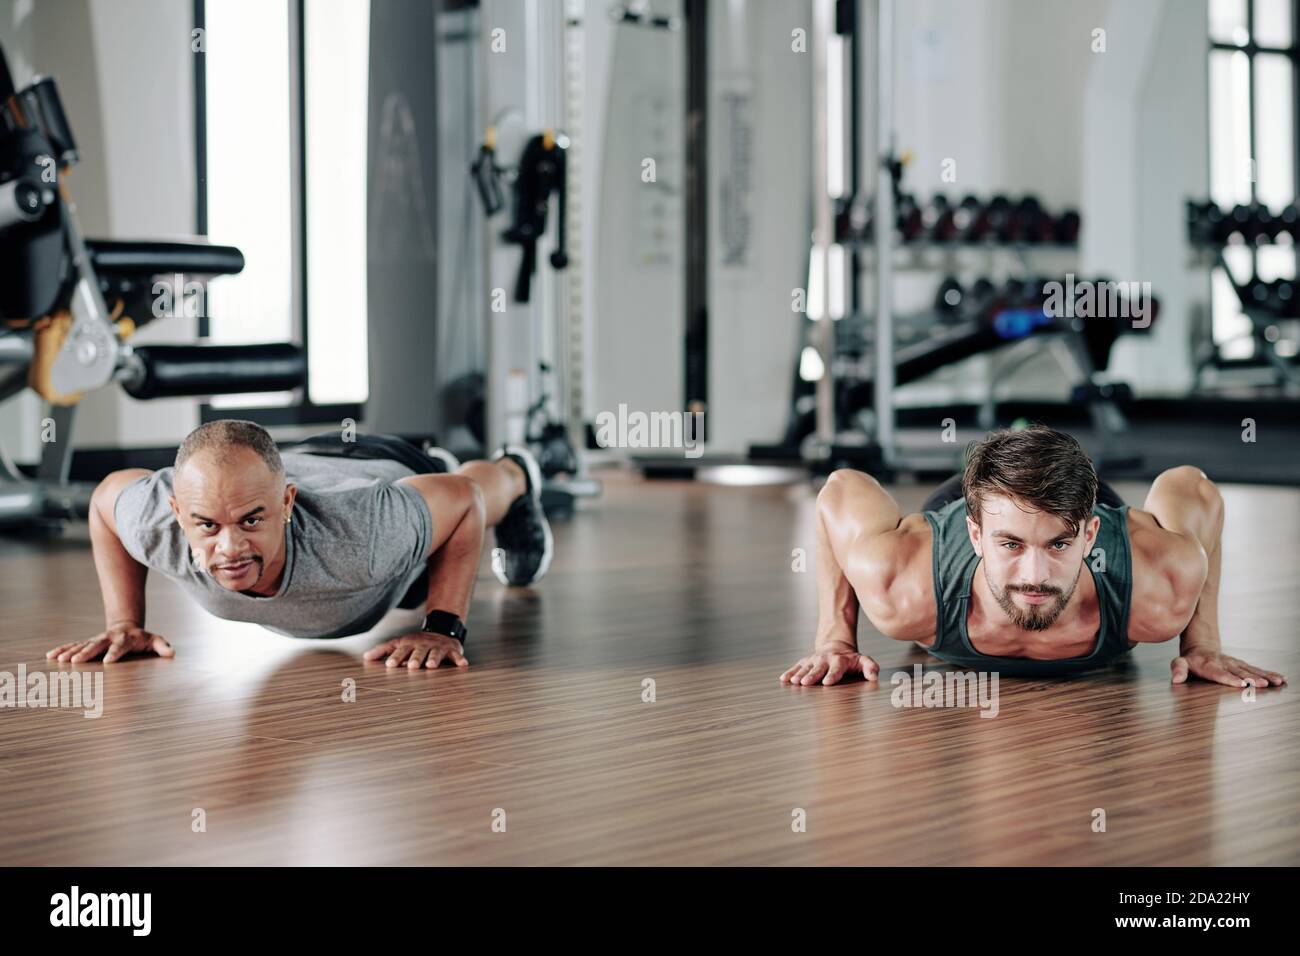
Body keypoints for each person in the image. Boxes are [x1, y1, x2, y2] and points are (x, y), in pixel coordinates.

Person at [780, 425, 1287, 687]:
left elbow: (1194, 487)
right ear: (975, 536)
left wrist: (1201, 642)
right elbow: (840, 488)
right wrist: (835, 637)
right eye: (1011, 547)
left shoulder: (1160, 584)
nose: (1036, 575)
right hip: (968, 503)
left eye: (1059, 546)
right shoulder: (903, 583)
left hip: (1086, 501)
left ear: (1090, 537)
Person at [45, 420, 553, 668]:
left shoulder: (364, 536)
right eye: (206, 526)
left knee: (477, 487)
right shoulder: (157, 521)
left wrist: (444, 628)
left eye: (250, 521)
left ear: (285, 505)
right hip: (308, 460)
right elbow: (105, 499)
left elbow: (463, 500)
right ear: (178, 513)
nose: (229, 549)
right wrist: (124, 624)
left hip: (382, 470)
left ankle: (516, 469)